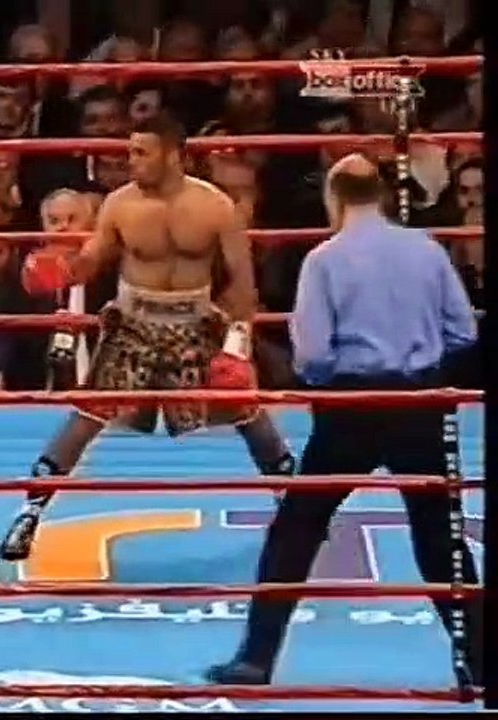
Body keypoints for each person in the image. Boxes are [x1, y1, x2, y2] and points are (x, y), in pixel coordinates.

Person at [206, 153, 483, 687]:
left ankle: (257, 659)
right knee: (439, 535)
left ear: (334, 198)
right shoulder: (427, 250)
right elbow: (463, 332)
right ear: (381, 195)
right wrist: (419, 359)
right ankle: (481, 661)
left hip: (351, 405)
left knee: (297, 528)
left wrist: (332, 378)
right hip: (419, 401)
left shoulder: (325, 259)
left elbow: (312, 354)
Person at [0, 116, 297, 561]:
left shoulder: (216, 207)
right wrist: (62, 271)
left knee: (245, 406)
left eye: (142, 152)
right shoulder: (120, 204)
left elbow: (242, 285)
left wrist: (236, 347)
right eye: (131, 151)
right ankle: (30, 511)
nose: (131, 161)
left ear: (172, 155)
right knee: (88, 412)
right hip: (134, 320)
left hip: (195, 321)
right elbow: (92, 258)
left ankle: (293, 504)